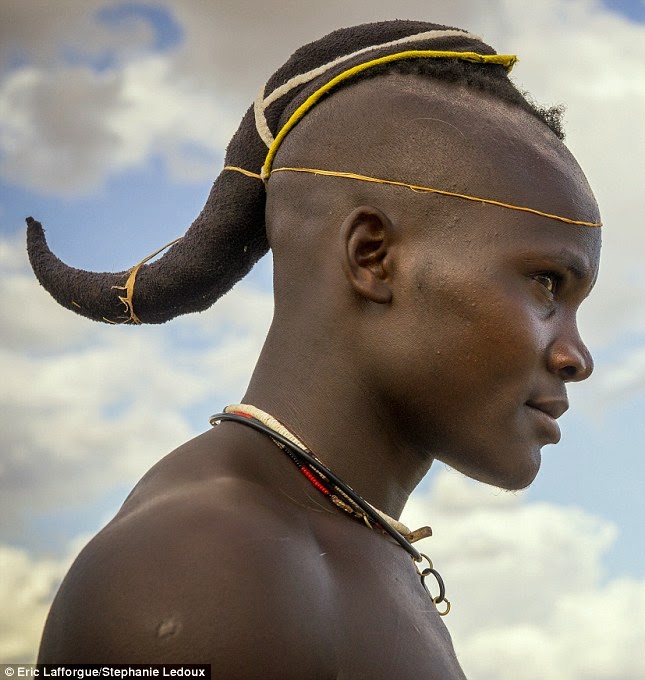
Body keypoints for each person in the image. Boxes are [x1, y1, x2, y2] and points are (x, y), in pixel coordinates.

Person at [28, 20, 601, 679]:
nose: (576, 357)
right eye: (546, 284)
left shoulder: (336, 546)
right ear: (374, 257)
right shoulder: (204, 567)